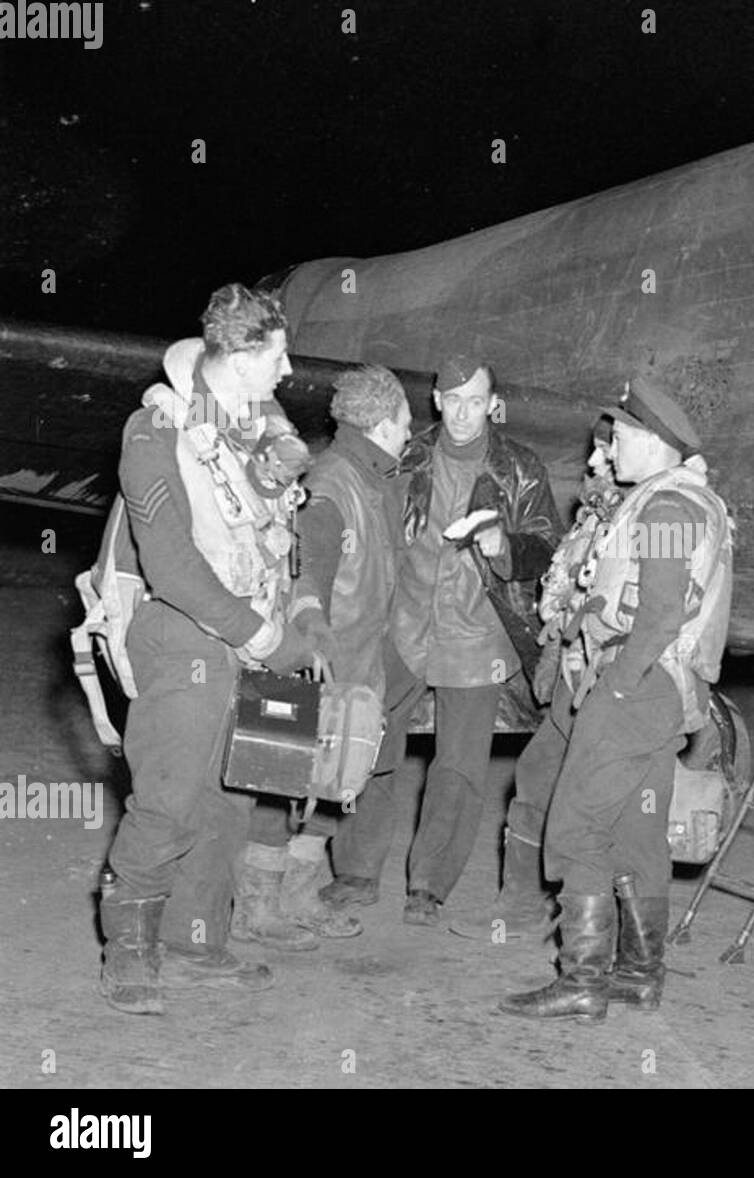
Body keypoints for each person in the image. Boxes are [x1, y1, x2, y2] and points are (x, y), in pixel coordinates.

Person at [98, 283, 322, 1015]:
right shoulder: (154, 433)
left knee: (228, 798)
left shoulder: (255, 428)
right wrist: (264, 635)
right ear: (241, 354)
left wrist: (295, 619)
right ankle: (128, 953)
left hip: (244, 637)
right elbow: (172, 565)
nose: (288, 371)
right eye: (279, 354)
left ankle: (194, 942)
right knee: (168, 797)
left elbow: (283, 528)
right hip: (184, 635)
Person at [499, 377, 733, 1023]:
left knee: (575, 827)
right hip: (664, 690)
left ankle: (581, 982)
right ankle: (638, 974)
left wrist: (621, 680)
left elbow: (658, 614)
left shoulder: (665, 509)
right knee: (636, 835)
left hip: (637, 686)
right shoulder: (682, 501)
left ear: (655, 441)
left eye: (622, 434)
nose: (611, 444)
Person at [319, 356, 561, 927]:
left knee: (459, 768)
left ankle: (428, 887)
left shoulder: (520, 467)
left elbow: (546, 546)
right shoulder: (408, 453)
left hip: (476, 636)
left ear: (492, 403)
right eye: (452, 400)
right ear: (434, 399)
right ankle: (354, 871)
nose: (462, 413)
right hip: (401, 625)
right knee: (370, 745)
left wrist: (506, 547)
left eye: (475, 401)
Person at [231, 364, 412, 950]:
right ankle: (256, 907)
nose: (412, 430)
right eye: (407, 419)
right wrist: (316, 652)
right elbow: (307, 578)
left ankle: (301, 895)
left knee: (338, 779)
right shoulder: (331, 486)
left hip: (355, 661)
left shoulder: (372, 476)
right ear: (384, 423)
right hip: (317, 662)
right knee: (282, 783)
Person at [448, 418, 623, 942]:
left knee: (601, 808)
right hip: (577, 674)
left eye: (603, 454)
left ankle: (605, 942)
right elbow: (560, 574)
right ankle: (521, 905)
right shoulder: (599, 516)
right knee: (537, 775)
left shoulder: (654, 517)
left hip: (616, 685)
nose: (591, 464)